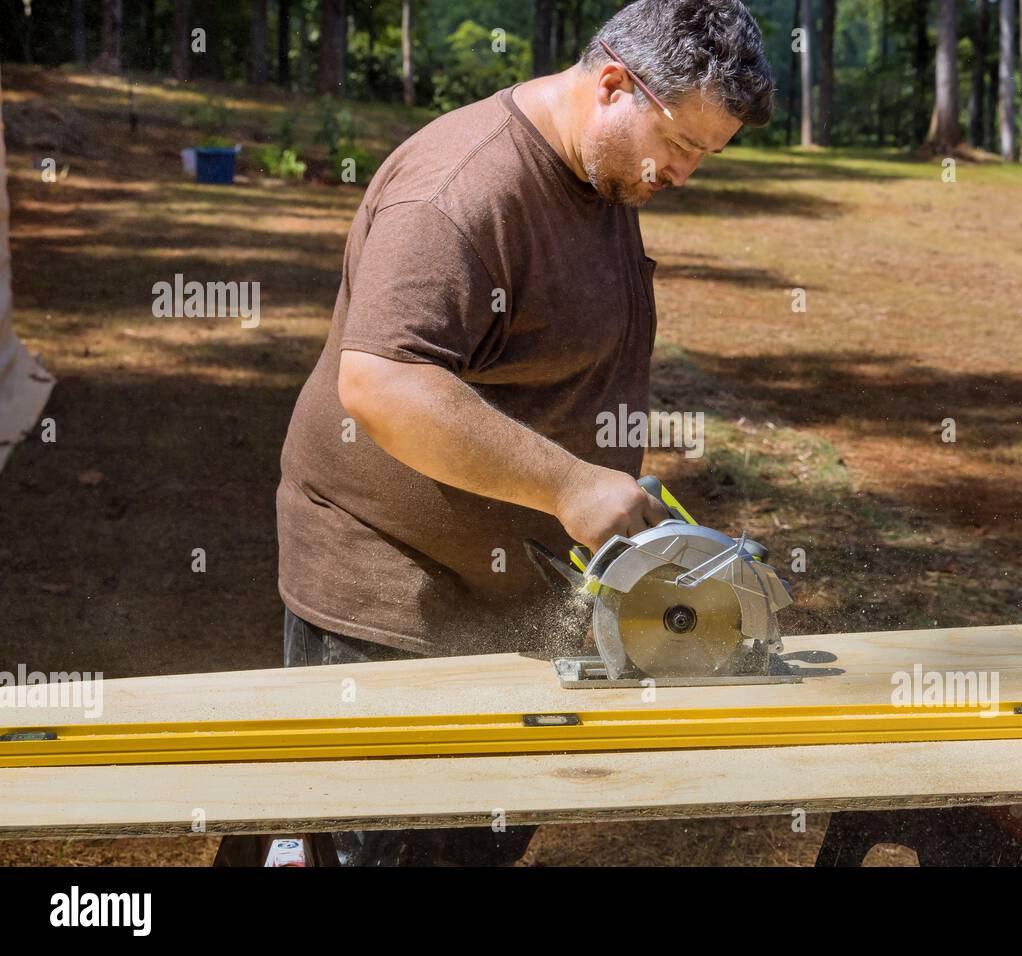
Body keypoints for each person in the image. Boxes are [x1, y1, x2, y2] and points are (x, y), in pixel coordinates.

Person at [221, 0, 774, 867]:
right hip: (393, 599)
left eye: (707, 154)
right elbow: (382, 382)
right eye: (683, 146)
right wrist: (570, 486)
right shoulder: (460, 189)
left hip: (507, 589)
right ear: (614, 84)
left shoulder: (600, 167)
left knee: (477, 843)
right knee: (392, 850)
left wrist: (614, 497)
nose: (686, 173)